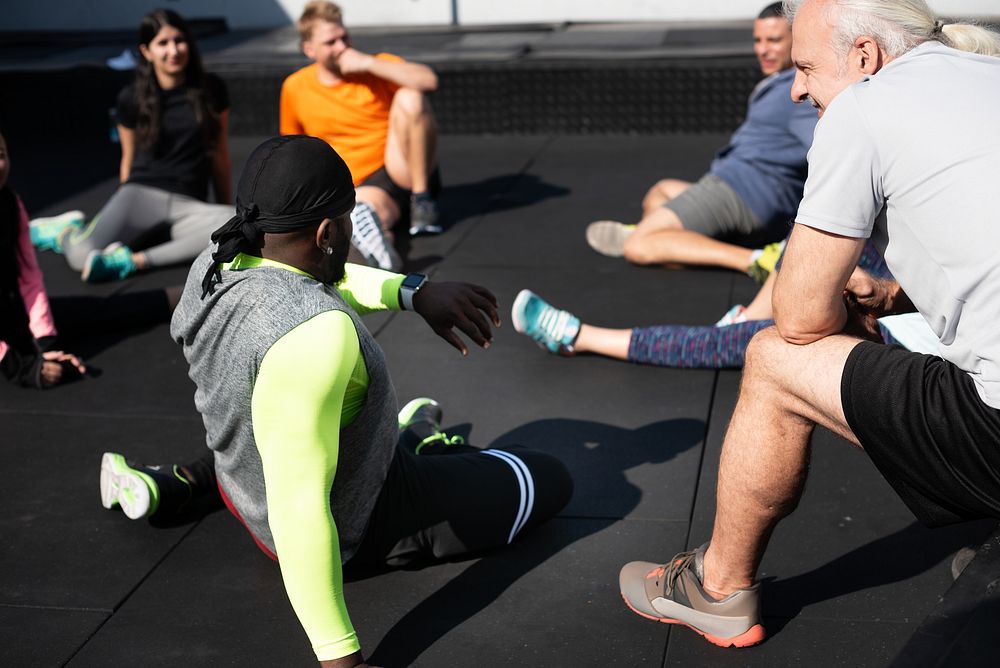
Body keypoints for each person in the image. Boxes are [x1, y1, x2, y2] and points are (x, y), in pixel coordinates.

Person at [615, 0, 1000, 649]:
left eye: (804, 67)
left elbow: (797, 320)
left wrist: (836, 306)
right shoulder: (983, 75)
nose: (794, 88)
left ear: (864, 58)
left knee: (771, 359)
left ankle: (717, 589)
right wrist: (888, 294)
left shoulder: (865, 107)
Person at [108, 135, 571, 667]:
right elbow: (299, 508)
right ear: (328, 233)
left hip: (243, 489)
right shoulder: (315, 335)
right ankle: (425, 442)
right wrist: (341, 661)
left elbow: (309, 279)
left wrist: (413, 291)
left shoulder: (214, 264)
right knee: (548, 476)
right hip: (358, 517)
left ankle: (202, 477)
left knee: (305, 423)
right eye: (350, 219)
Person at [586, 2, 817, 283]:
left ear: (798, 39)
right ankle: (672, 233)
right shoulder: (782, 83)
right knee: (661, 191)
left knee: (638, 246)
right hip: (748, 192)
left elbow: (824, 146)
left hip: (742, 192)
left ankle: (757, 260)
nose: (763, 49)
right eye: (758, 40)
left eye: (774, 40)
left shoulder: (798, 91)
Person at [29, 9, 233, 283]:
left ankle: (132, 261)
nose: (173, 50)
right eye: (163, 43)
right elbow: (128, 158)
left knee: (239, 229)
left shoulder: (212, 90)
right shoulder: (132, 98)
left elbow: (219, 152)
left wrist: (223, 210)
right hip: (142, 194)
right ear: (146, 51)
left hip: (189, 203)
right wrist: (122, 216)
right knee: (81, 256)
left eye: (179, 40)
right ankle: (64, 232)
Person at [511, 242, 939, 367]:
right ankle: (748, 315)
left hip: (915, 344)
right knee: (816, 240)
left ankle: (578, 336)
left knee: (762, 343)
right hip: (913, 302)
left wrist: (881, 297)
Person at [280, 1, 443, 272]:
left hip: (399, 167)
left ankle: (423, 200)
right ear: (309, 50)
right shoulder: (295, 87)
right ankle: (379, 254)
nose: (342, 47)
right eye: (331, 42)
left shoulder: (378, 66)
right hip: (356, 184)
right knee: (366, 212)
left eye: (344, 37)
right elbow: (293, 148)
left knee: (411, 95)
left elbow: (429, 81)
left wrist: (368, 63)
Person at [0, 131, 86, 388]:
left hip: (12, 313)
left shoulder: (10, 203)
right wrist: (21, 366)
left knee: (97, 311)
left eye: (2, 155)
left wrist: (44, 342)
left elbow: (29, 276)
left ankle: (179, 295)